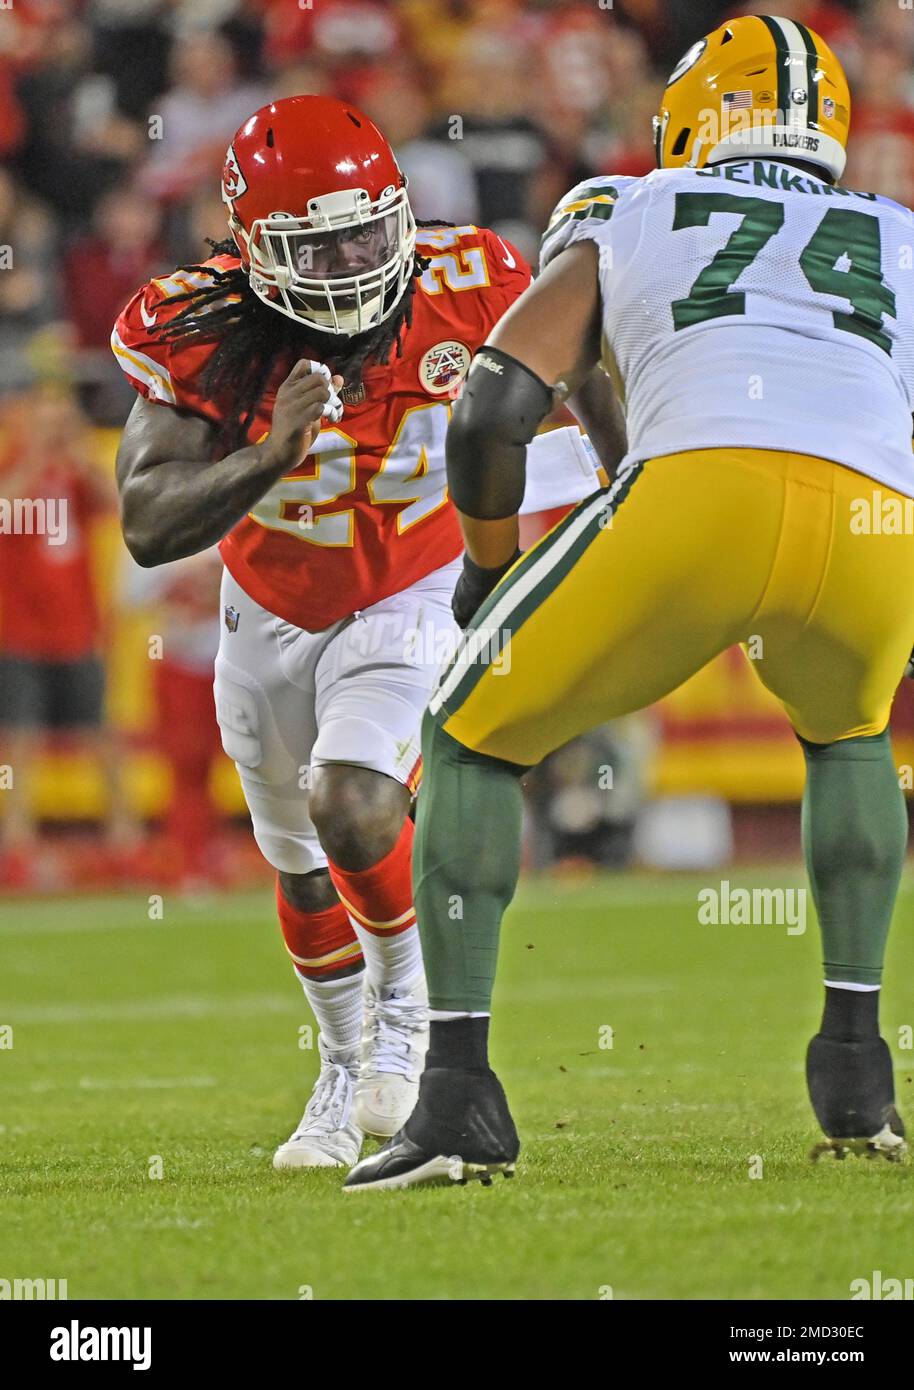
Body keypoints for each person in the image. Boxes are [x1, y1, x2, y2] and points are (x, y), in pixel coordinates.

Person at [346, 14, 914, 1190]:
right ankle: (857, 1070)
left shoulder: (630, 203)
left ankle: (453, 1098)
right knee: (849, 734)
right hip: (873, 523)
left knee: (464, 733)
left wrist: (491, 566)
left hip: (701, 491)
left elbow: (496, 401)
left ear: (692, 112)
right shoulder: (894, 233)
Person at [111, 95, 618, 1170]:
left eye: (365, 226)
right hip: (269, 607)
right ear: (254, 246)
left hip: (414, 583)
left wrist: (622, 476)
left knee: (351, 799)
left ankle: (406, 1016)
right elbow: (150, 525)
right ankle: (340, 1066)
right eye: (316, 239)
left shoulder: (470, 273)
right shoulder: (196, 324)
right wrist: (265, 456)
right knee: (297, 865)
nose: (349, 257)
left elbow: (585, 366)